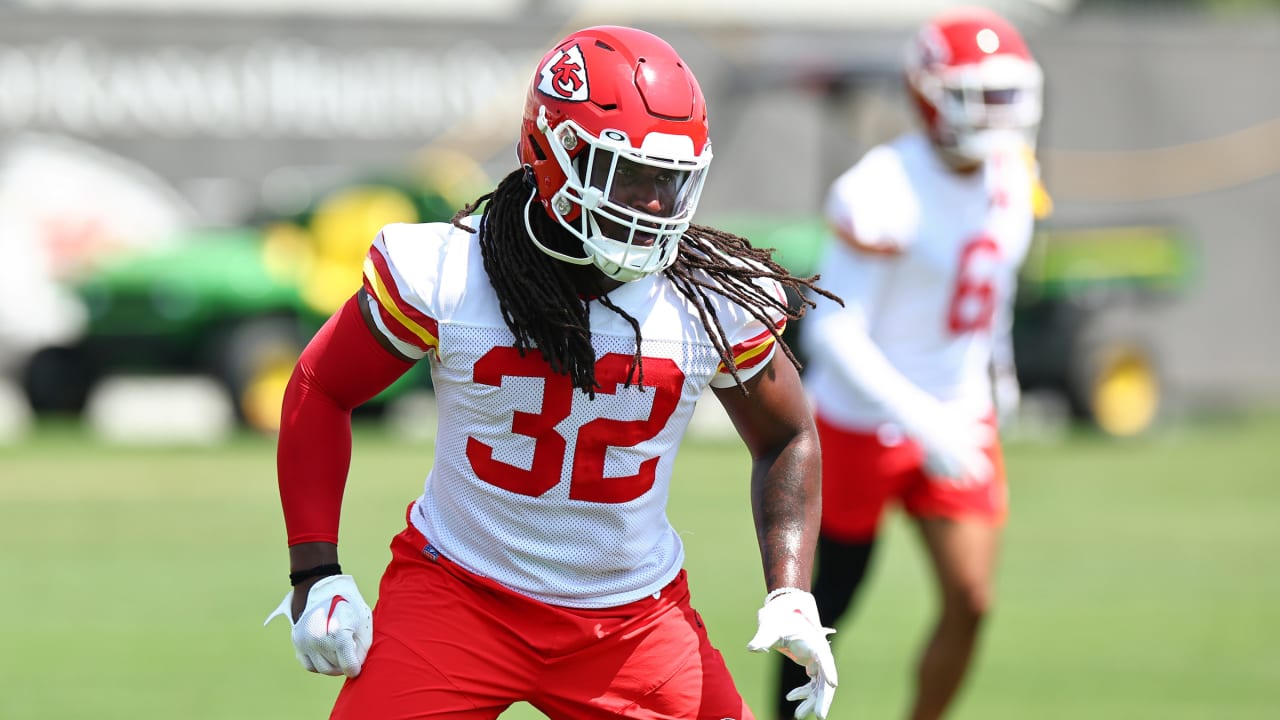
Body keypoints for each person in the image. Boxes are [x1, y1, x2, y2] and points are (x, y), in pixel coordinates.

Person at [265, 25, 840, 720]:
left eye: (671, 178)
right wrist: (314, 573)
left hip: (631, 622)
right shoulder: (452, 275)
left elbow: (787, 435)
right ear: (549, 154)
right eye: (628, 173)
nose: (656, 203)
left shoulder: (704, 300)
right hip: (458, 597)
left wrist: (791, 591)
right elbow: (321, 387)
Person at [773, 7, 1049, 720]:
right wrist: (921, 419)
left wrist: (1000, 373)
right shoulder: (881, 188)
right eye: (976, 95)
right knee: (823, 609)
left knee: (973, 599)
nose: (995, 115)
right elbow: (833, 333)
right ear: (930, 95)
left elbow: (993, 293)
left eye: (1004, 94)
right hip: (861, 420)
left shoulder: (1014, 175)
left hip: (960, 413)